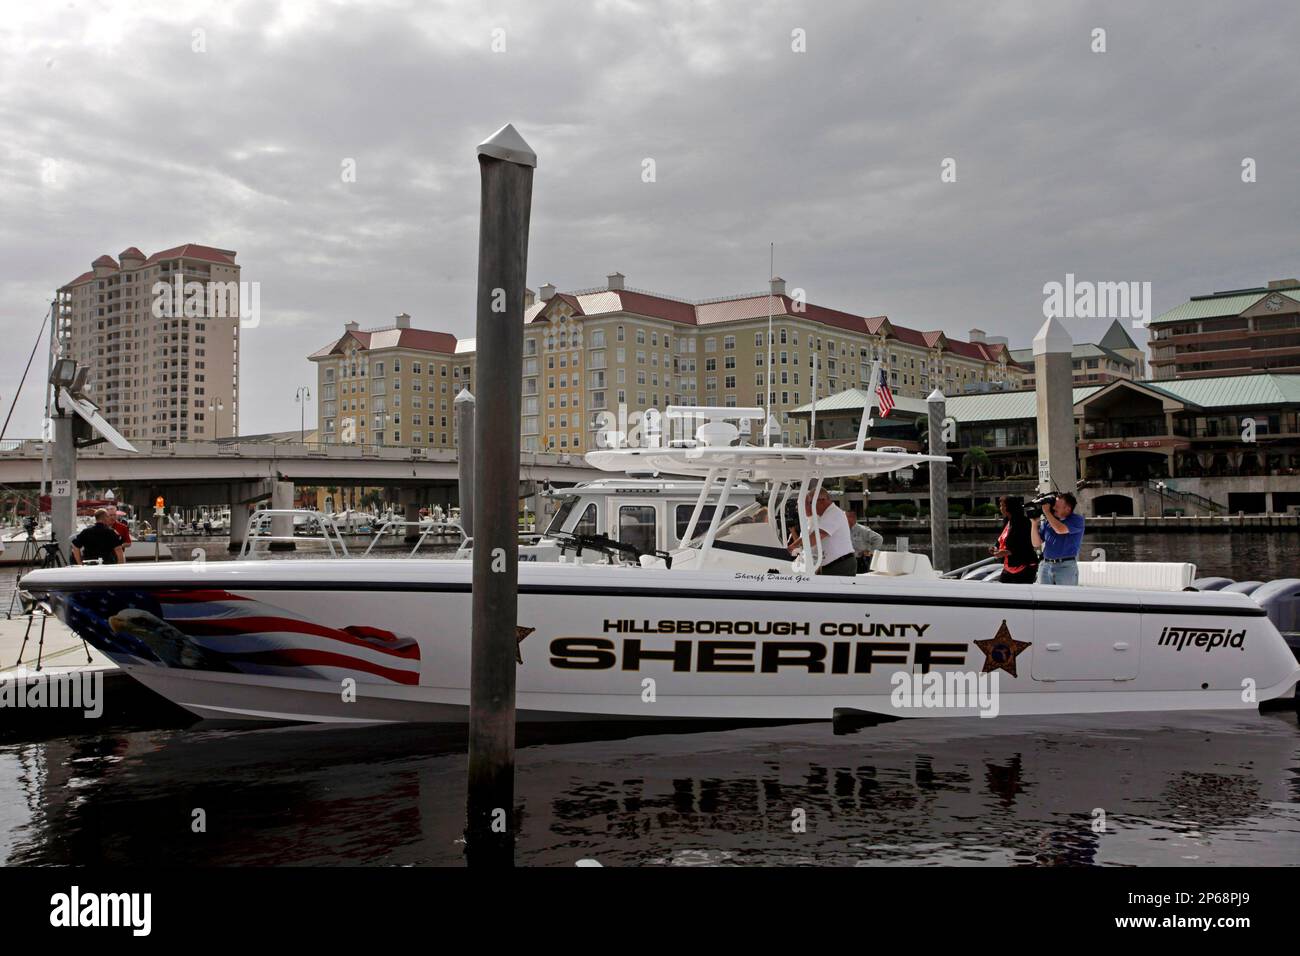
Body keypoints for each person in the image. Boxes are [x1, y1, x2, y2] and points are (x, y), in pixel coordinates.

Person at [786, 487, 857, 576]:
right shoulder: (820, 516)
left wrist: (792, 549)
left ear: (822, 501)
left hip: (840, 565)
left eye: (811, 503)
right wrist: (792, 548)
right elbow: (807, 537)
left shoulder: (833, 514)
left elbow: (816, 537)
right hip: (830, 565)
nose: (810, 506)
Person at [1031, 492, 1084, 585]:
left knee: (1066, 598)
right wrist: (1034, 523)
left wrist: (1047, 512)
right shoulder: (1049, 521)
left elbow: (1060, 530)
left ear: (1068, 509)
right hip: (1045, 565)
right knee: (1044, 598)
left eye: (1057, 506)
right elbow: (1036, 544)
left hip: (1065, 567)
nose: (1054, 508)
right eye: (1054, 505)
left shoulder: (1077, 520)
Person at [991, 495, 1037, 583]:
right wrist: (995, 548)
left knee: (1021, 595)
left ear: (1010, 507)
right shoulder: (1007, 521)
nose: (1000, 508)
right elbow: (1001, 540)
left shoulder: (1024, 522)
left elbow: (1026, 546)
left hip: (1024, 566)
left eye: (1003, 506)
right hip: (1009, 566)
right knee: (1003, 593)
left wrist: (1007, 552)